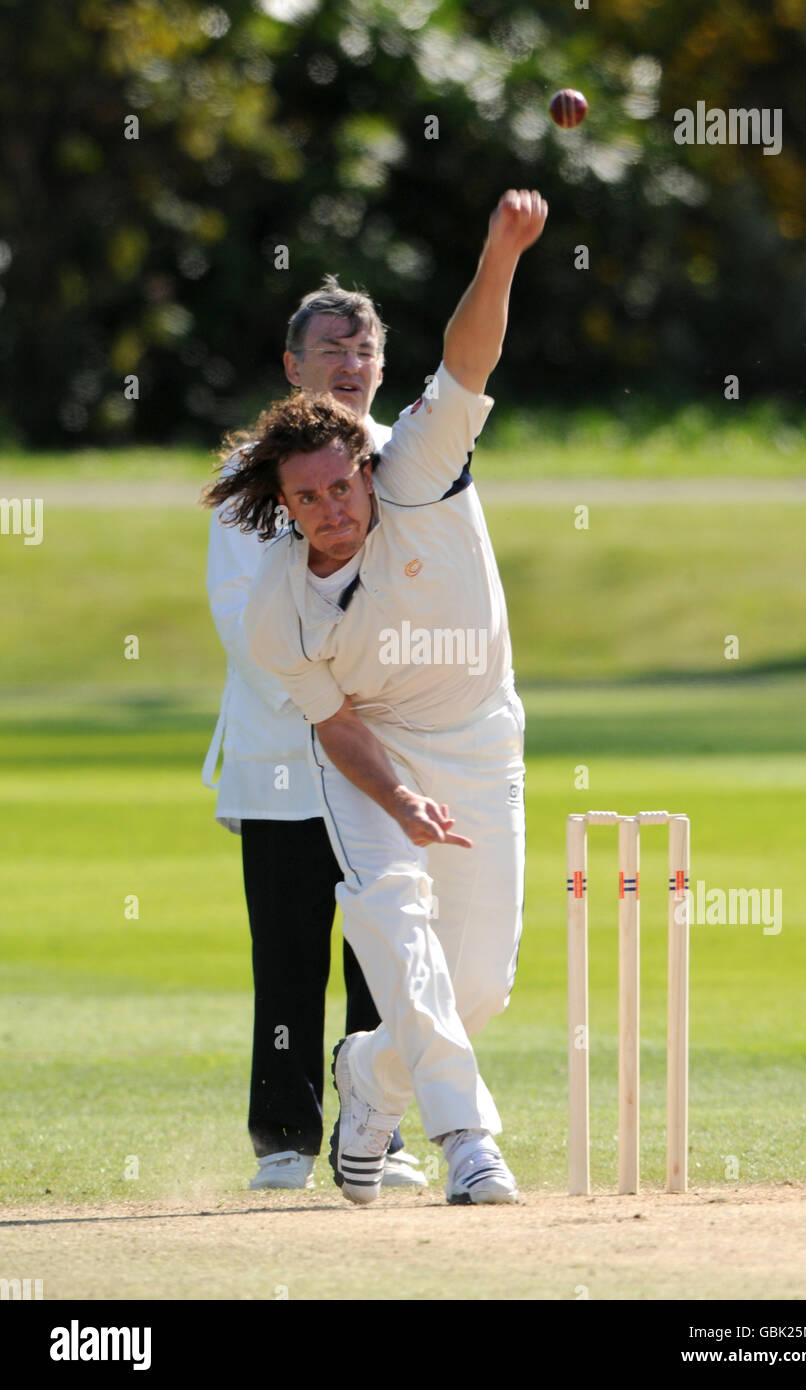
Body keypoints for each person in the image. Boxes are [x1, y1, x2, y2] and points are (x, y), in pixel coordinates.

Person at [205, 187, 547, 1206]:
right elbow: (337, 721)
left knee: (478, 983)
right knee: (392, 925)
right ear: (280, 499)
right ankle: (465, 1140)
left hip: (480, 742)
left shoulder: (419, 459)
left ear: (368, 461)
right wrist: (399, 799)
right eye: (302, 501)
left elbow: (471, 359)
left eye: (339, 488)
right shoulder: (279, 604)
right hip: (366, 751)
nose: (327, 513)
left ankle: (365, 1074)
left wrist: (499, 256)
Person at [202, 278, 426, 1191]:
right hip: (283, 758)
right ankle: (286, 1136)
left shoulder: (407, 462)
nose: (349, 363)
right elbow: (244, 621)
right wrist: (332, 704)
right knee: (288, 953)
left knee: (388, 951)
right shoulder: (252, 477)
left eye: (363, 348)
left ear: (382, 365)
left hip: (386, 755)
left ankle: (380, 1137)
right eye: (330, 349)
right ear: (293, 366)